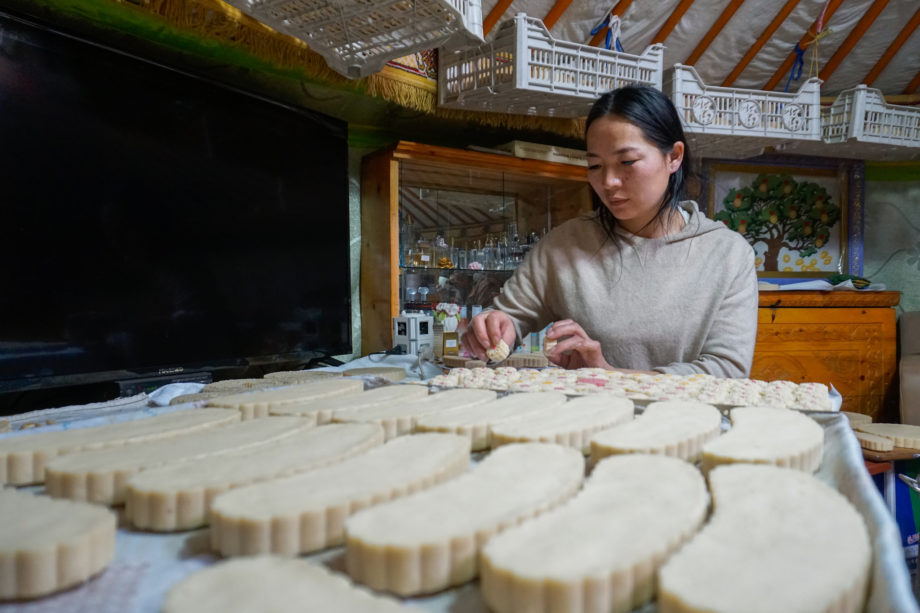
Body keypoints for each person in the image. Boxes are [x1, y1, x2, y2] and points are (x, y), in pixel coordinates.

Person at [461, 85, 758, 378]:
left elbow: (726, 370)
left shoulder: (727, 254)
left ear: (674, 157)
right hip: (586, 423)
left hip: (688, 422)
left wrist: (610, 375)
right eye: (594, 165)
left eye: (627, 162)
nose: (609, 182)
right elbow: (511, 315)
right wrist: (495, 328)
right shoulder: (565, 245)